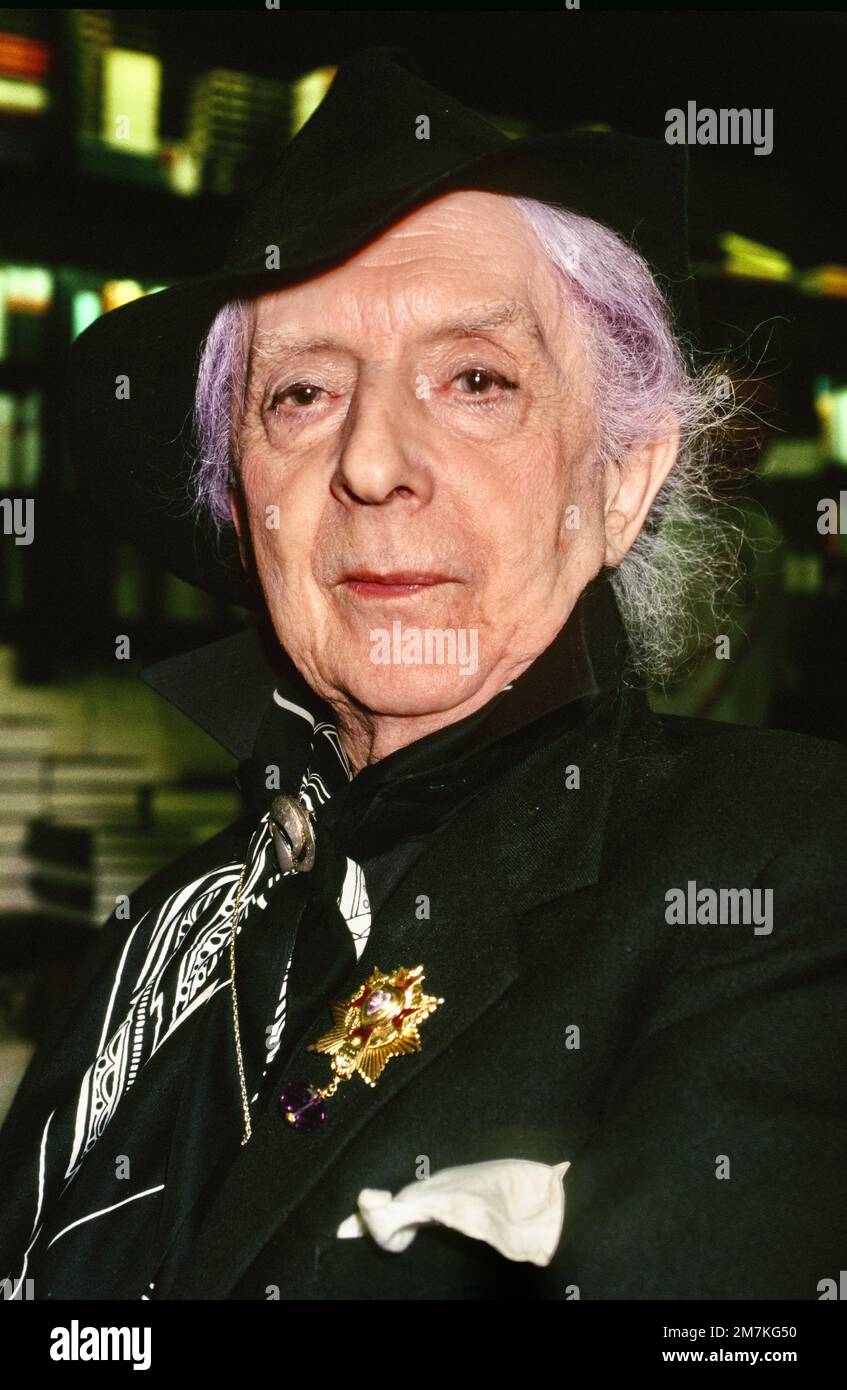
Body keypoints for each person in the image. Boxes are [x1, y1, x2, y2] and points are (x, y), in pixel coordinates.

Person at [0, 47, 844, 1302]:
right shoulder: (161, 940)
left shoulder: (785, 867)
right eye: (299, 392)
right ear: (243, 501)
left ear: (616, 483)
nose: (374, 461)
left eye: (475, 380)